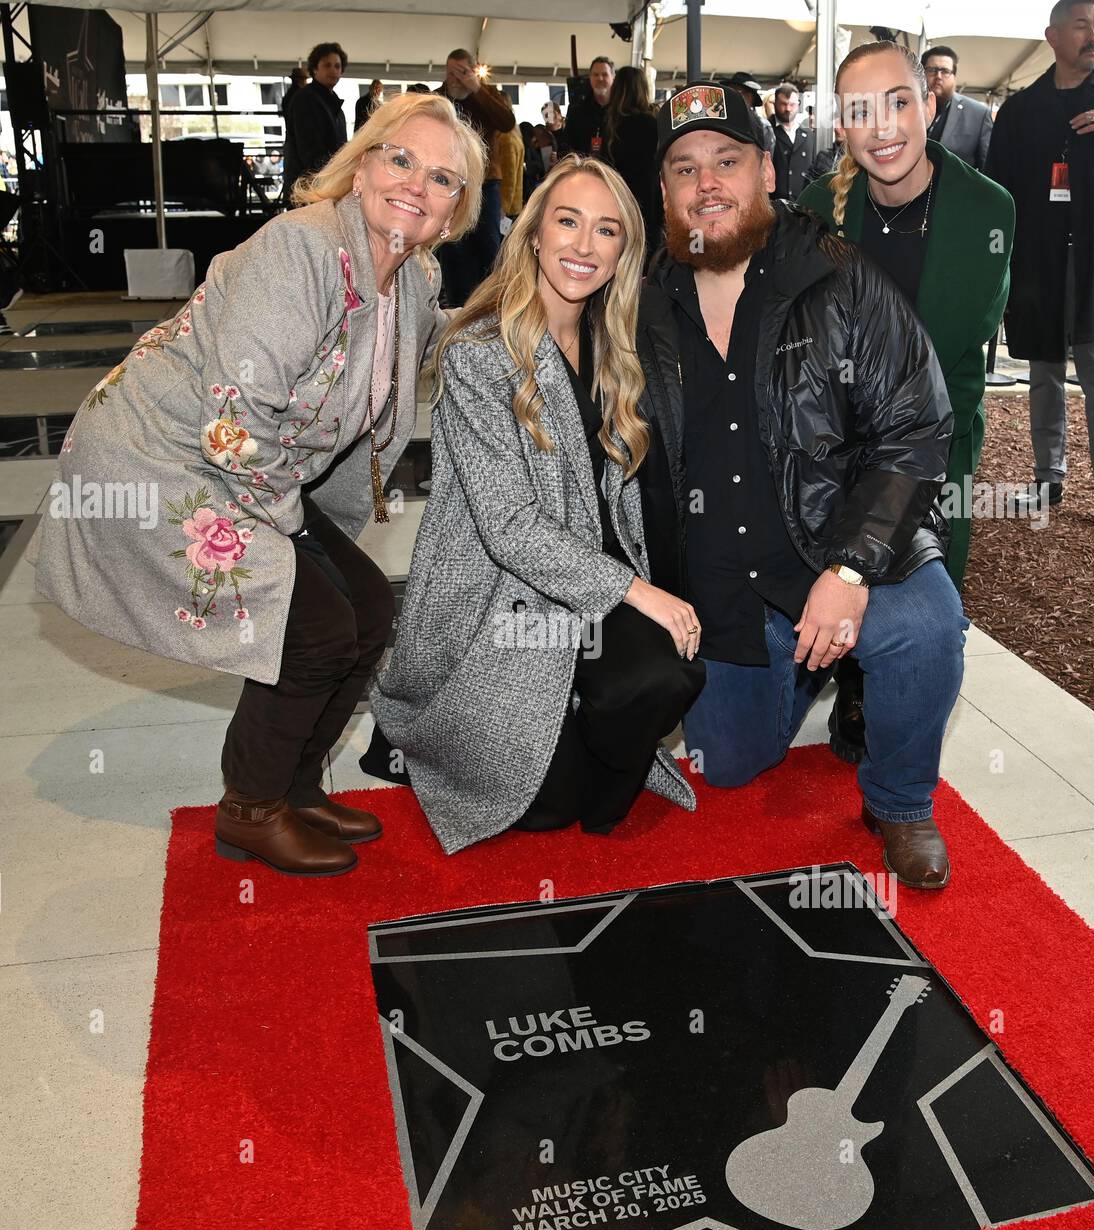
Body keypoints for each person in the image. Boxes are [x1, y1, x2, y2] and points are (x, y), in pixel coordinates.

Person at [35, 94, 487, 876]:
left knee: (370, 611)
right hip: (161, 458)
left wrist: (516, 312)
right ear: (363, 166)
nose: (415, 183)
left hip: (244, 463)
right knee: (310, 626)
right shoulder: (302, 251)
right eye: (400, 158)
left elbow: (427, 331)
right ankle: (249, 810)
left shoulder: (411, 276)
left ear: (454, 213)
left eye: (442, 177)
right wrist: (293, 528)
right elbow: (233, 420)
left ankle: (296, 787)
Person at [637, 82, 968, 890]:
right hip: (722, 591)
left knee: (927, 626)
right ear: (666, 192)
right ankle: (821, 666)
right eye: (685, 167)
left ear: (768, 171)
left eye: (727, 160)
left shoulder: (839, 277)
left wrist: (853, 568)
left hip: (835, 544)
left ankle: (899, 799)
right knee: (729, 767)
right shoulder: (639, 296)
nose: (706, 182)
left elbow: (919, 426)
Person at [366, 155, 705, 853]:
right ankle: (485, 726)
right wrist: (640, 592)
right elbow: (509, 527)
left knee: (663, 677)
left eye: (606, 231)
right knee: (540, 806)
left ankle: (582, 720)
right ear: (532, 233)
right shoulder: (479, 349)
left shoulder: (615, 341)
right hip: (502, 592)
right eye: (568, 222)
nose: (584, 247)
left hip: (590, 568)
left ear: (624, 251)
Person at [798, 42, 1013, 771]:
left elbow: (941, 357)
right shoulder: (814, 206)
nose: (883, 126)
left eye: (899, 101)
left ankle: (890, 718)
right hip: (833, 430)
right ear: (841, 124)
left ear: (930, 105)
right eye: (861, 110)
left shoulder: (987, 209)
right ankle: (846, 669)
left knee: (928, 592)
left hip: (934, 429)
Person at [986, 0, 1094, 507]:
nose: (1093, 35)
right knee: (1045, 367)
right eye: (1081, 25)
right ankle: (1048, 474)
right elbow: (998, 189)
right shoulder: (1020, 109)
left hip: (1093, 258)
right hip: (1042, 260)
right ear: (1053, 37)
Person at [434, 48, 516, 306]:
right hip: (449, 183)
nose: (455, 79)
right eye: (450, 73)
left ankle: (491, 305)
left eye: (461, 72)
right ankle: (458, 307)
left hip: (485, 184)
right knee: (453, 248)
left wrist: (477, 89)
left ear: (473, 71)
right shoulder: (439, 98)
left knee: (488, 247)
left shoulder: (488, 95)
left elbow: (506, 122)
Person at [282, 43, 349, 198]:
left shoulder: (330, 100)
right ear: (315, 69)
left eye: (337, 66)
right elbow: (310, 152)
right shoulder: (306, 99)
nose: (333, 70)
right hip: (308, 186)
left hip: (322, 182)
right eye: (327, 65)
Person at [605, 64, 660, 254]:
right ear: (642, 89)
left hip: (615, 195)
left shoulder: (609, 123)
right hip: (648, 197)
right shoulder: (651, 123)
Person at [922, 46, 993, 170]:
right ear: (922, 73)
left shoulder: (978, 114)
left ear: (954, 76)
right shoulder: (904, 106)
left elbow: (987, 167)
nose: (938, 76)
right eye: (932, 70)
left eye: (945, 71)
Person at [769, 82, 817, 200]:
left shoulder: (808, 134)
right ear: (775, 104)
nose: (788, 109)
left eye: (792, 104)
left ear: (798, 104)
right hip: (774, 204)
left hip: (802, 204)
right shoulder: (766, 130)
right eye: (783, 104)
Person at [564, 57, 615, 157]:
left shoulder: (621, 111)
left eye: (604, 74)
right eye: (596, 75)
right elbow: (567, 144)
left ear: (613, 77)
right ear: (590, 78)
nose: (600, 78)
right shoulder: (577, 111)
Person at [724, 72, 776, 153]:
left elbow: (767, 157)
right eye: (729, 91)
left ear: (749, 97)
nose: (729, 96)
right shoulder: (720, 121)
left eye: (736, 92)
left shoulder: (763, 126)